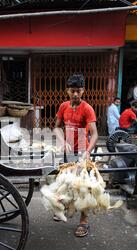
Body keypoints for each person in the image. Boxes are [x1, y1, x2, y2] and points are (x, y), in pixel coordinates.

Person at [54, 74, 98, 238]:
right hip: (67, 152)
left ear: (83, 90)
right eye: (72, 91)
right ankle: (63, 208)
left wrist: (88, 151)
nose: (75, 95)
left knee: (83, 187)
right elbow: (57, 127)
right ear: (67, 91)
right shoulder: (63, 106)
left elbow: (94, 134)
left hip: (82, 153)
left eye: (78, 91)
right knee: (65, 183)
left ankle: (84, 221)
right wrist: (62, 140)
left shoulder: (87, 108)